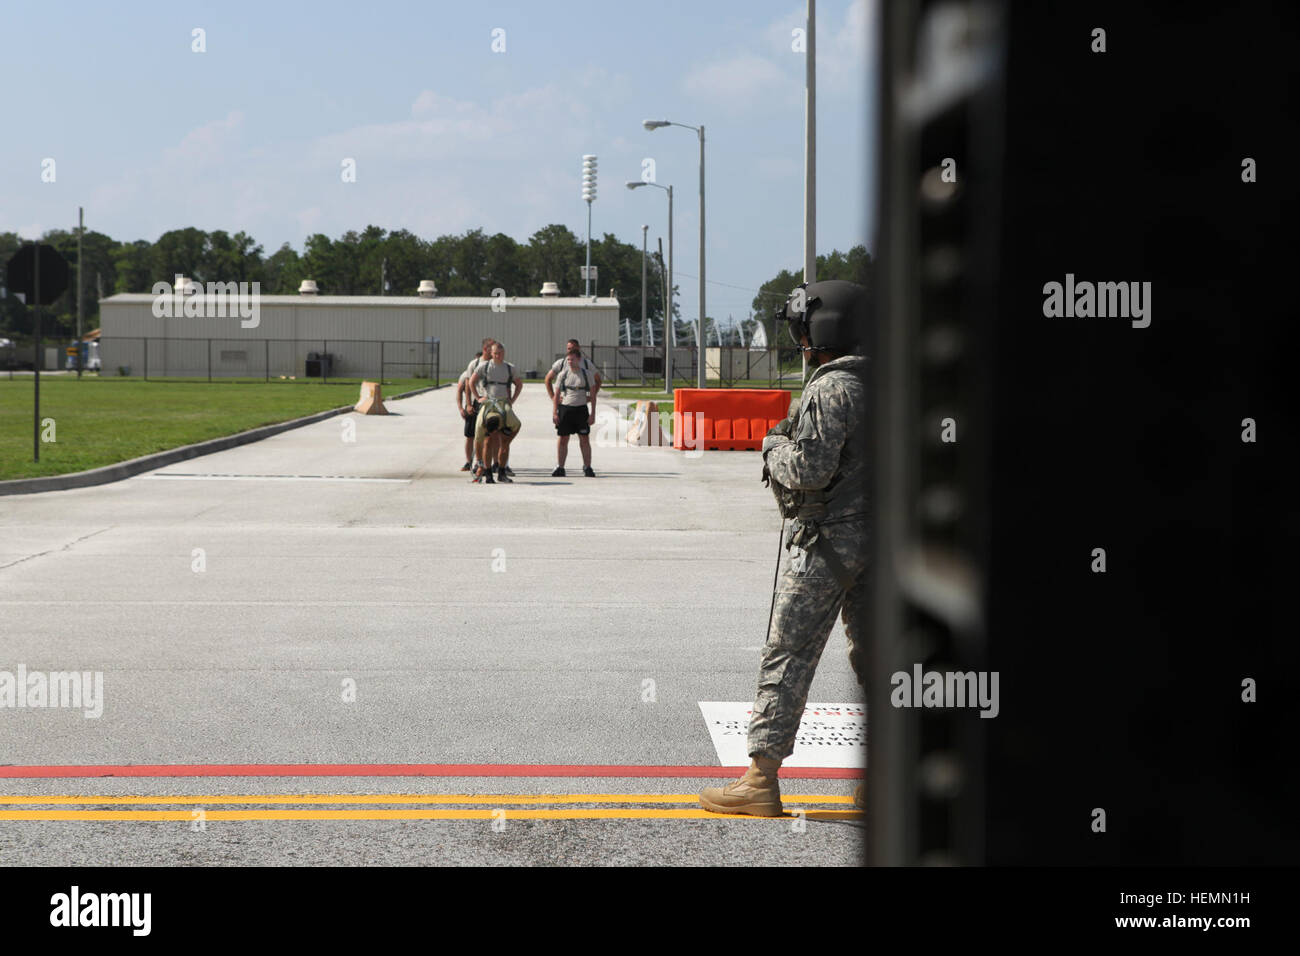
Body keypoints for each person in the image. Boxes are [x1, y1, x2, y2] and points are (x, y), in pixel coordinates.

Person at [699, 280, 871, 817]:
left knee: (788, 654)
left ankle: (759, 780)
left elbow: (809, 470)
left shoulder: (830, 389)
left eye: (802, 329)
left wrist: (774, 446)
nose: (799, 339)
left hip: (827, 544)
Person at [469, 342, 523, 483]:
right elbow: (471, 382)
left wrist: (512, 400)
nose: (498, 355)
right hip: (488, 404)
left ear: (504, 353)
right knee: (481, 432)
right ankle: (485, 469)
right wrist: (478, 398)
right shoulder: (484, 367)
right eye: (495, 353)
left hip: (503, 404)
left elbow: (519, 383)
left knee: (516, 425)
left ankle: (502, 471)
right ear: (491, 353)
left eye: (501, 353)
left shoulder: (509, 368)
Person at [550, 348, 598, 477]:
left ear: (579, 360)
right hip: (565, 409)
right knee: (563, 438)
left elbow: (593, 395)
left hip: (581, 410)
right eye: (568, 360)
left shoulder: (587, 374)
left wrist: (593, 414)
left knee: (584, 439)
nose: (570, 362)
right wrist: (555, 413)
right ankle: (560, 467)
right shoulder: (563, 374)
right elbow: (556, 395)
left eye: (573, 359)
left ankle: (587, 467)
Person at [463, 339, 495, 473]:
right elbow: (467, 384)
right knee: (472, 434)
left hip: (493, 402)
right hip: (478, 402)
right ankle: (470, 462)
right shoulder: (475, 364)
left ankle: (494, 463)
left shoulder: (496, 364)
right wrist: (469, 404)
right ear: (485, 349)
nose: (494, 352)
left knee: (492, 434)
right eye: (491, 349)